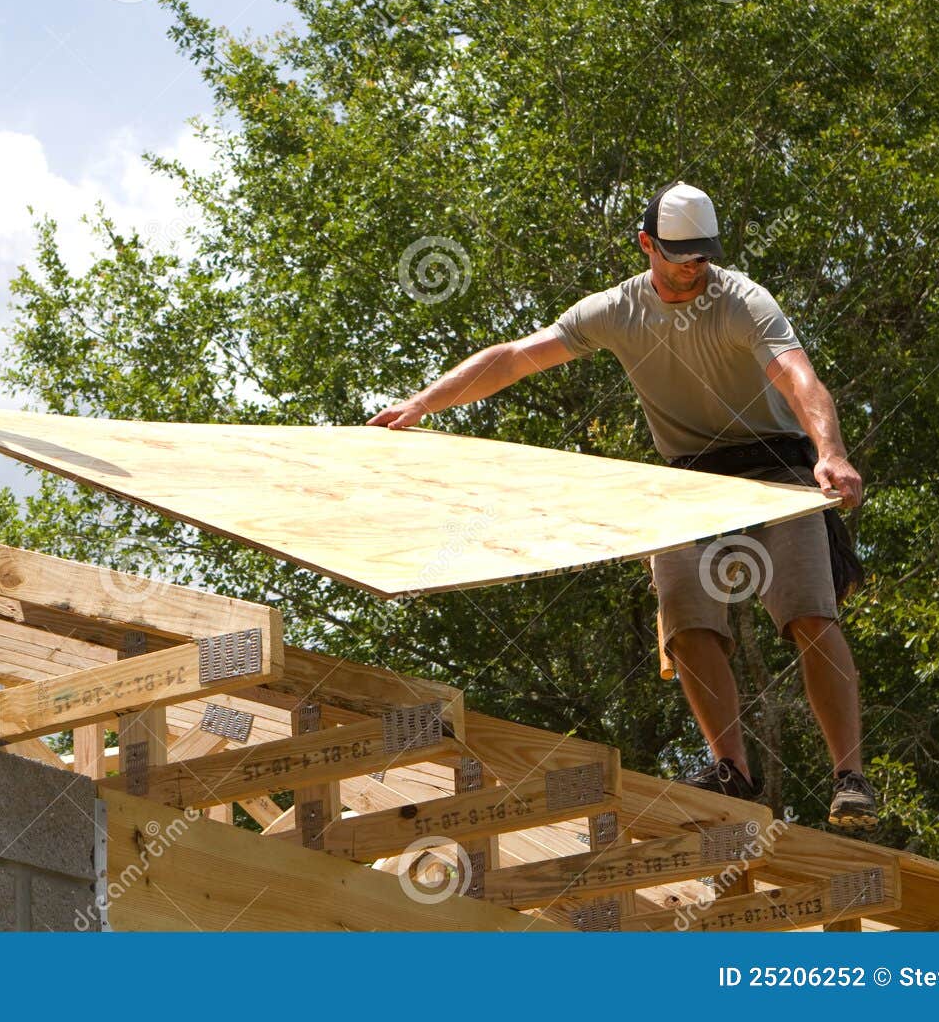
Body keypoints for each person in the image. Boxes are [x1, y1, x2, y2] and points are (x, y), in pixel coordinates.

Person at [369, 181, 877, 829]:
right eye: (678, 256)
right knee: (685, 610)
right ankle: (734, 770)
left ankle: (849, 776)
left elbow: (800, 378)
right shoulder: (617, 310)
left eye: (702, 256)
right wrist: (422, 403)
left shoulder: (744, 301)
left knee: (809, 612)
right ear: (647, 245)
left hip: (776, 467)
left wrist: (829, 449)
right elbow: (518, 357)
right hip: (688, 483)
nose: (693, 268)